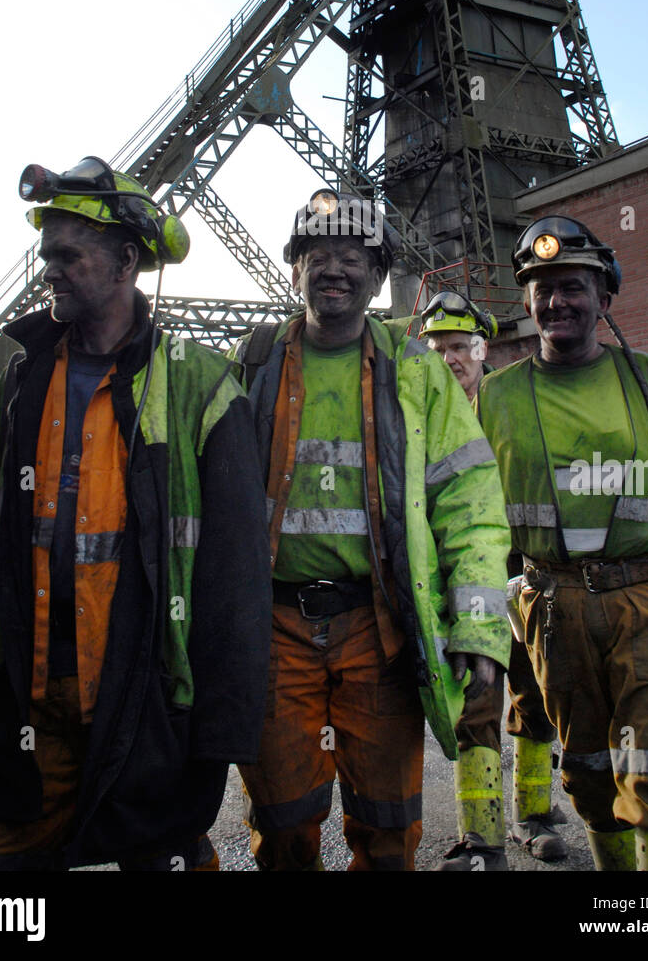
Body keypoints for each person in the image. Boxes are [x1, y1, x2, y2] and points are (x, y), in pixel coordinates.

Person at [0, 156, 271, 871]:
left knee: (159, 849)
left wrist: (222, 726)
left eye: (68, 256)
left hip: (146, 694)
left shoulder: (200, 388)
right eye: (45, 255)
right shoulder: (19, 384)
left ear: (126, 261)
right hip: (29, 694)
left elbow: (234, 577)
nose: (49, 271)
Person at [232, 188, 511, 871]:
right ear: (294, 269)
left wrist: (477, 627)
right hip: (275, 631)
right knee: (284, 825)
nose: (335, 269)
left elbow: (469, 500)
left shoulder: (414, 370)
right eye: (318, 255)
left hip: (377, 630)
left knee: (388, 830)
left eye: (354, 257)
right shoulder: (257, 359)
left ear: (379, 277)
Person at [477, 215, 648, 872]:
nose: (557, 301)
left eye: (573, 286)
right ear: (526, 302)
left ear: (605, 297)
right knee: (590, 776)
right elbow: (468, 514)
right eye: (542, 289)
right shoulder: (496, 397)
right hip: (550, 610)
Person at [420, 292, 566, 870]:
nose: (451, 359)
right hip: (460, 583)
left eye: (460, 347)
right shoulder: (417, 416)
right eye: (438, 350)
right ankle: (482, 839)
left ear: (482, 351)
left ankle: (533, 814)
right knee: (474, 702)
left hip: (523, 576)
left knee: (534, 695)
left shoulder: (510, 407)